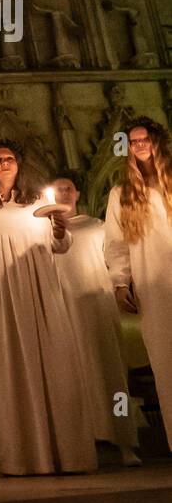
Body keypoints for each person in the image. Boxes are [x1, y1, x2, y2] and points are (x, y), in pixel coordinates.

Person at [0, 140, 96, 475]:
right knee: (10, 368)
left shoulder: (38, 201)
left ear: (20, 164)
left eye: (9, 158)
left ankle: (66, 453)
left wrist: (62, 232)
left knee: (55, 364)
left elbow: (59, 245)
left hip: (40, 292)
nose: (4, 163)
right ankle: (19, 456)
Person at [50, 170, 142, 466]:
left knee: (110, 375)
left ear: (77, 194)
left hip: (98, 307)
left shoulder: (98, 227)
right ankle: (80, 444)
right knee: (72, 377)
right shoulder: (44, 232)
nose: (64, 194)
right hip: (64, 310)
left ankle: (125, 442)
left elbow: (116, 259)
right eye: (58, 190)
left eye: (68, 189)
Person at [104, 117, 172, 451]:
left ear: (158, 142)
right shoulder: (121, 195)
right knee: (166, 363)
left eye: (145, 139)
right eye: (133, 141)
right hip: (153, 288)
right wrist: (119, 283)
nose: (140, 145)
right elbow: (115, 244)